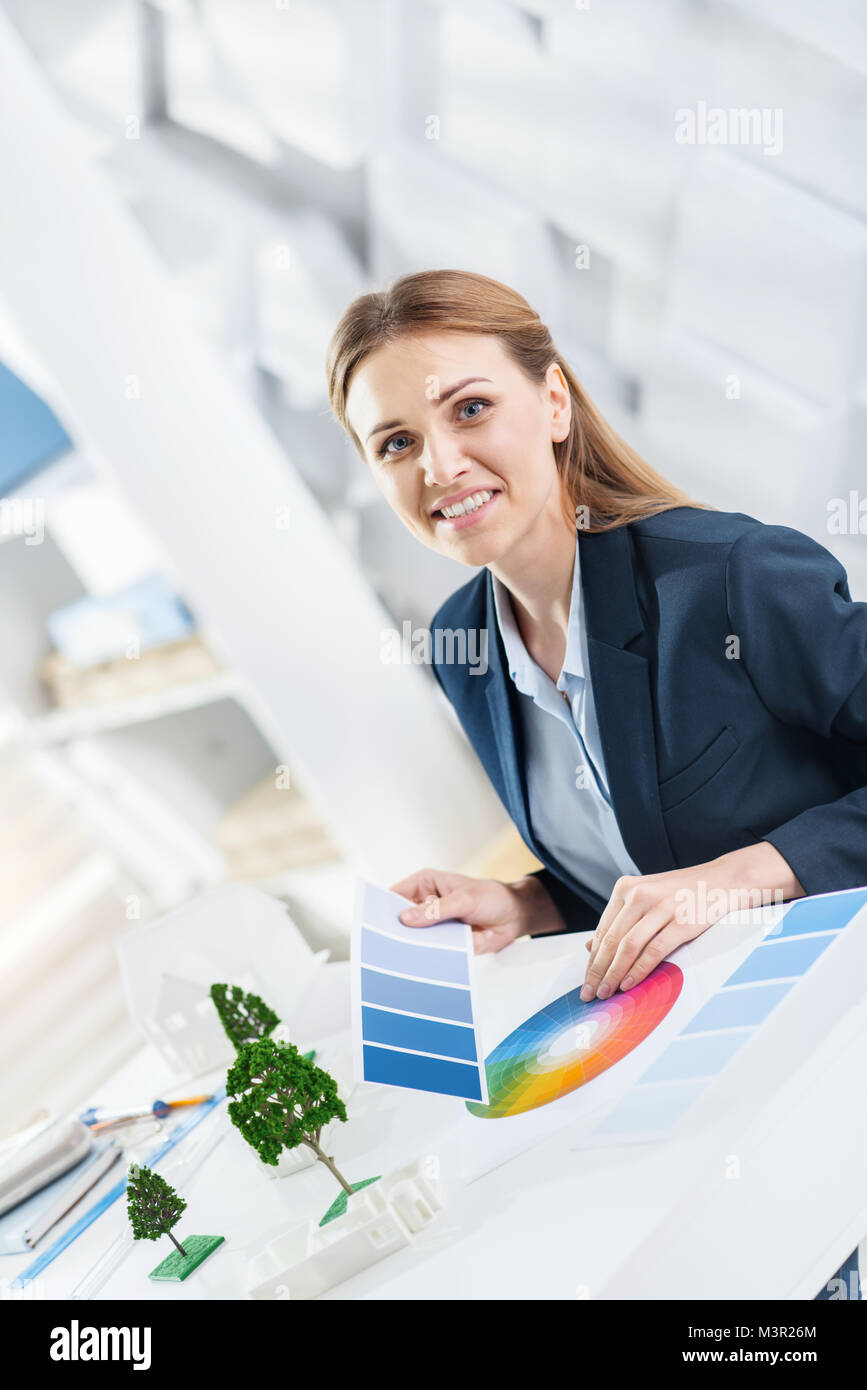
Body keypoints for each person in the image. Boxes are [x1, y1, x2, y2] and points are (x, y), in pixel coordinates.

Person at [326, 268, 865, 1300]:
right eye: (395, 442)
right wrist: (530, 900)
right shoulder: (460, 645)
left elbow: (715, 856)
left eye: (469, 407)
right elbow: (646, 844)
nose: (439, 463)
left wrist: (748, 873)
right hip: (716, 1095)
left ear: (556, 402)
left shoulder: (729, 578)